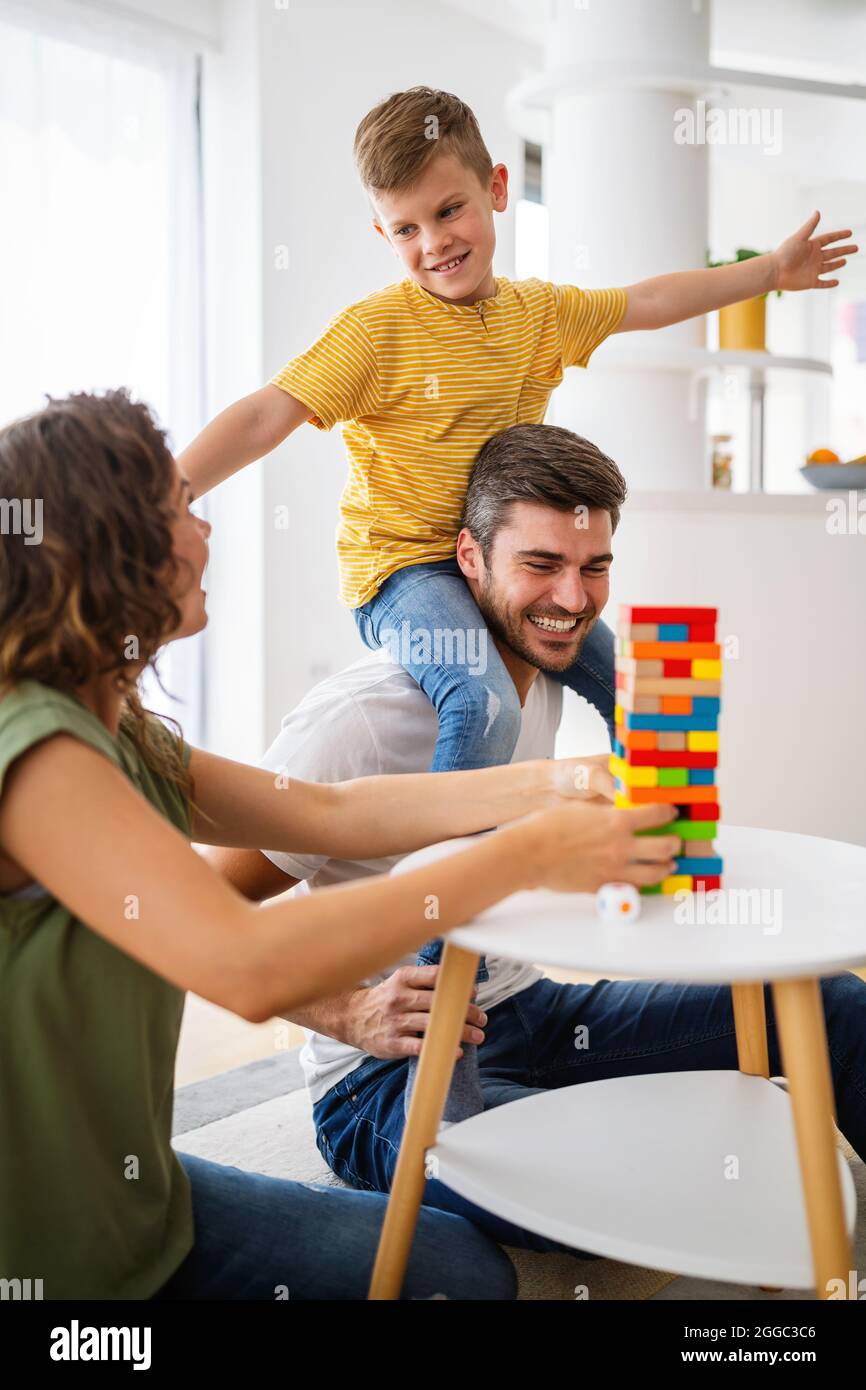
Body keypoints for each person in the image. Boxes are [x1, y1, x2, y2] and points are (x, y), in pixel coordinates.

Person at [0, 389, 678, 1300]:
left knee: (458, 1273)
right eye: (181, 509)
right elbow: (245, 962)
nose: (206, 531)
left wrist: (558, 783)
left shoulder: (120, 728)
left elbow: (326, 813)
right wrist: (523, 855)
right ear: (110, 546)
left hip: (136, 1195)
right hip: (48, 1249)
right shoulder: (37, 748)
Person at [213, 420, 866, 1257]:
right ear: (470, 559)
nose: (572, 599)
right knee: (621, 1180)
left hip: (534, 1008)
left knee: (832, 1004)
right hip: (384, 1079)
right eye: (540, 565)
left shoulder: (546, 677)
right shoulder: (364, 718)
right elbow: (205, 903)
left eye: (594, 568)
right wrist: (349, 1010)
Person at [178, 84, 856, 766]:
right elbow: (269, 413)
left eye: (449, 211)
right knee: (486, 701)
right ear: (384, 234)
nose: (435, 242)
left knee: (642, 693)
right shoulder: (376, 332)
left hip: (499, 561)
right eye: (407, 229)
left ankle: (656, 844)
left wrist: (768, 271)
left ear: (497, 189)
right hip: (406, 569)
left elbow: (648, 300)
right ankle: (452, 864)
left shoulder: (540, 315)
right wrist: (169, 490)